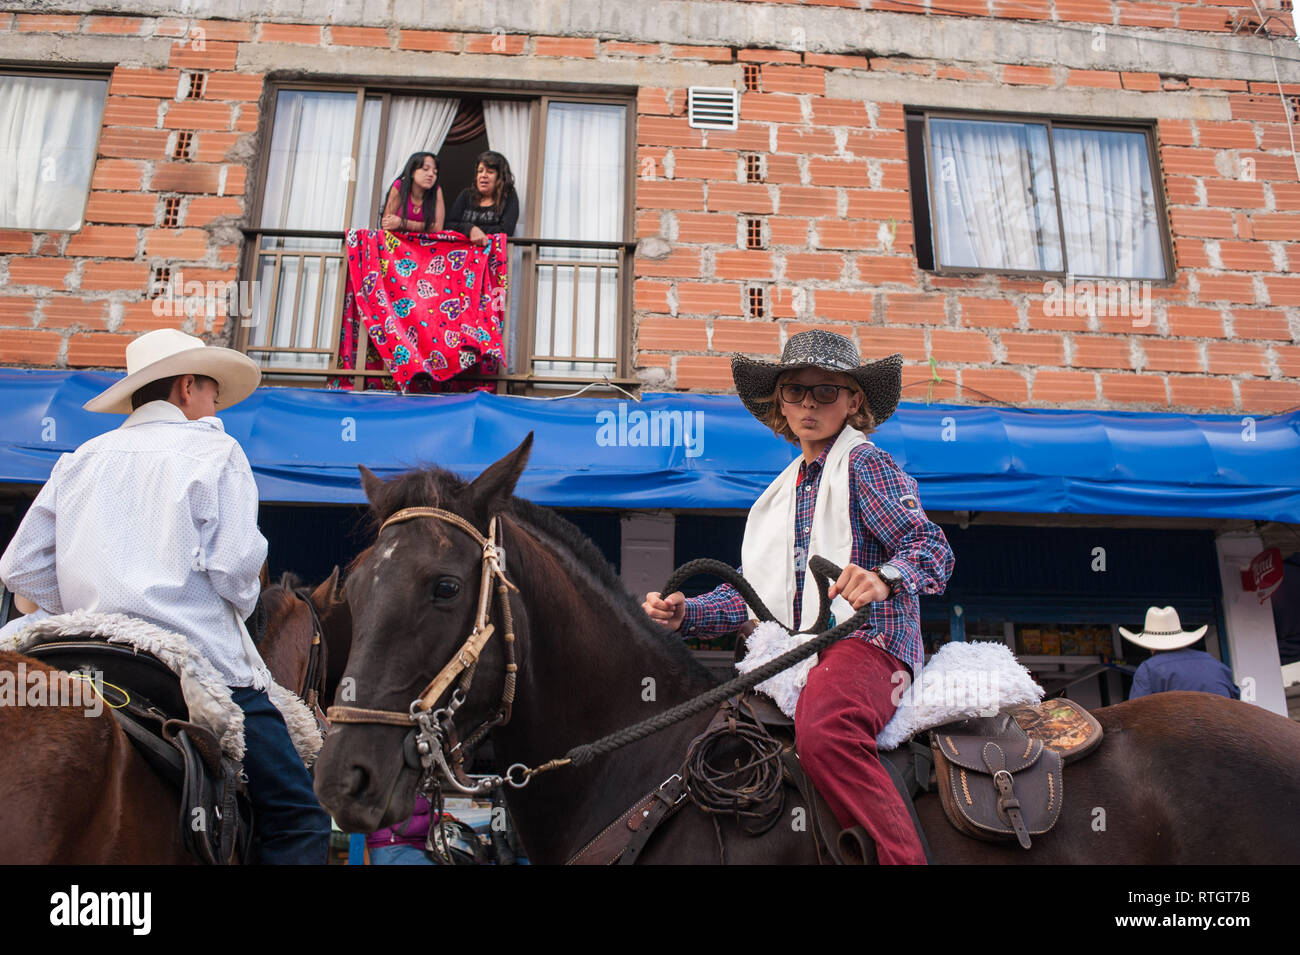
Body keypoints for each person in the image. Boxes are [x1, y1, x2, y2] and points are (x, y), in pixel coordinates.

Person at [0, 328, 332, 865]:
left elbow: (19, 567)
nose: (213, 403)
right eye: (211, 392)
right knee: (300, 816)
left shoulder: (81, 457)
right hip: (187, 664)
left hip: (69, 654)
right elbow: (236, 574)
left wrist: (87, 609)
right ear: (184, 387)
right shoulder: (217, 450)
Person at [642, 329, 955, 865]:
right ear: (780, 402)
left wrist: (884, 577)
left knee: (827, 731)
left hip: (870, 643)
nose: (809, 403)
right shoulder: (782, 491)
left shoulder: (865, 465)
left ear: (853, 400)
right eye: (795, 391)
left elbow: (930, 544)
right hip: (799, 651)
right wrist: (685, 613)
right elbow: (753, 596)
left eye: (826, 391)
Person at [1122, 606, 1240, 700]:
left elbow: (1138, 716)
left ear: (1150, 647)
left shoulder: (1148, 669)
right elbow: (1235, 701)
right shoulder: (1215, 664)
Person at [445, 150, 519, 246]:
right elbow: (449, 225)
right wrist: (470, 229)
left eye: (490, 172)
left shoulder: (508, 197)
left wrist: (475, 231)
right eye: (480, 171)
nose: (483, 175)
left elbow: (506, 231)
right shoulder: (466, 195)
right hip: (460, 255)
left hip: (492, 256)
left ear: (500, 177)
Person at [381, 152, 445, 233]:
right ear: (412, 172)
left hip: (424, 244)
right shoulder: (400, 186)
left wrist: (402, 223)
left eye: (435, 172)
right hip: (398, 242)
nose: (431, 174)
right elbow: (387, 223)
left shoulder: (436, 190)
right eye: (425, 169)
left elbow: (438, 228)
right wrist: (423, 226)